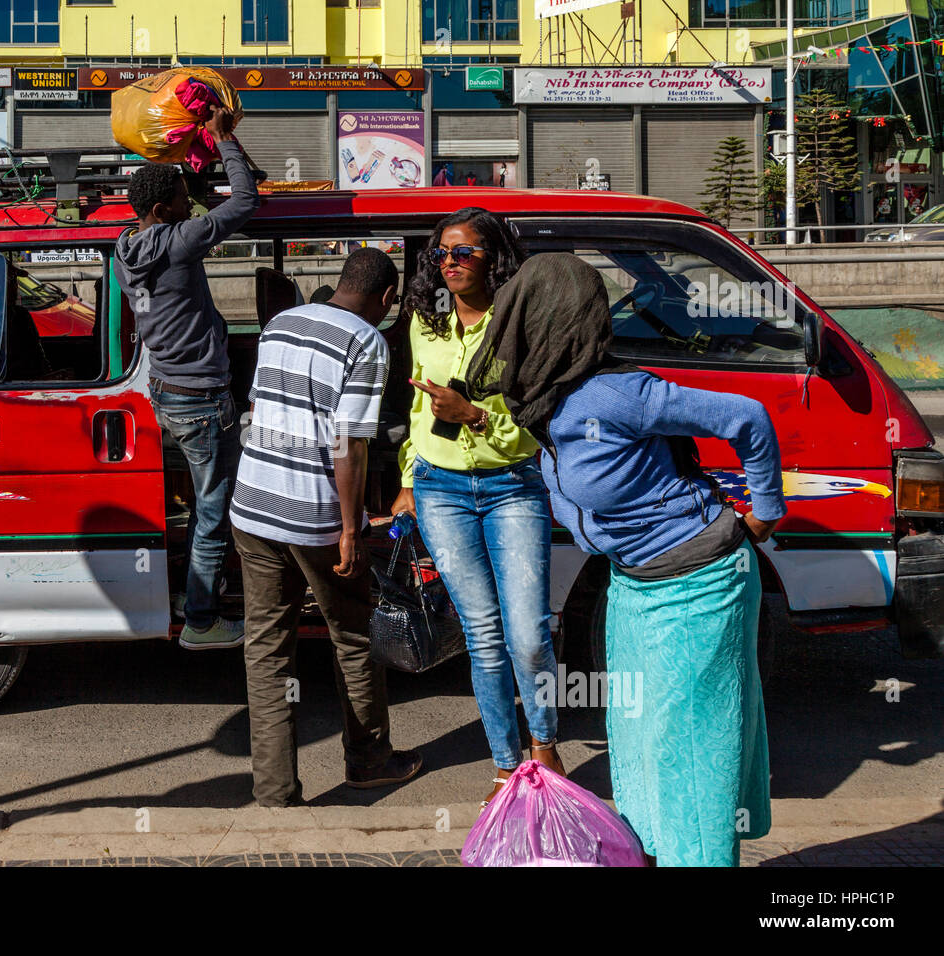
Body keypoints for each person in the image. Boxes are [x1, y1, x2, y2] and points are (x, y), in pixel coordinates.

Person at [466, 252, 785, 866]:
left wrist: (766, 510)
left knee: (689, 755)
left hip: (699, 583)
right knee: (641, 746)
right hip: (634, 586)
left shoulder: (616, 393)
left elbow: (746, 417)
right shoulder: (542, 399)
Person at [232, 247, 423, 807]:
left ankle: (274, 793)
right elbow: (348, 444)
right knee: (355, 638)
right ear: (387, 298)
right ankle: (369, 762)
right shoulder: (365, 341)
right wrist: (350, 529)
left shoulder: (280, 324)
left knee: (267, 653)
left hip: (253, 506)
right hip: (314, 518)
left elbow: (262, 411)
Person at [391, 207, 562, 808]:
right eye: (442, 253)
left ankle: (545, 744)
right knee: (482, 634)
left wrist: (476, 417)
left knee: (529, 633)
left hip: (513, 483)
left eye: (465, 251)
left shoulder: (523, 321)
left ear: (495, 258)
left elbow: (540, 413)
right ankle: (505, 763)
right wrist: (408, 480)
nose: (451, 262)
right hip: (440, 489)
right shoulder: (425, 322)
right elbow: (418, 410)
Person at [113, 105, 260, 650]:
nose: (189, 206)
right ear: (162, 209)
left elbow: (197, 210)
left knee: (202, 499)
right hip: (201, 397)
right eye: (181, 199)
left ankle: (196, 592)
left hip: (167, 392)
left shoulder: (124, 247)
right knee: (214, 510)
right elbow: (243, 204)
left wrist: (196, 164)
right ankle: (201, 621)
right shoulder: (179, 242)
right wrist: (223, 140)